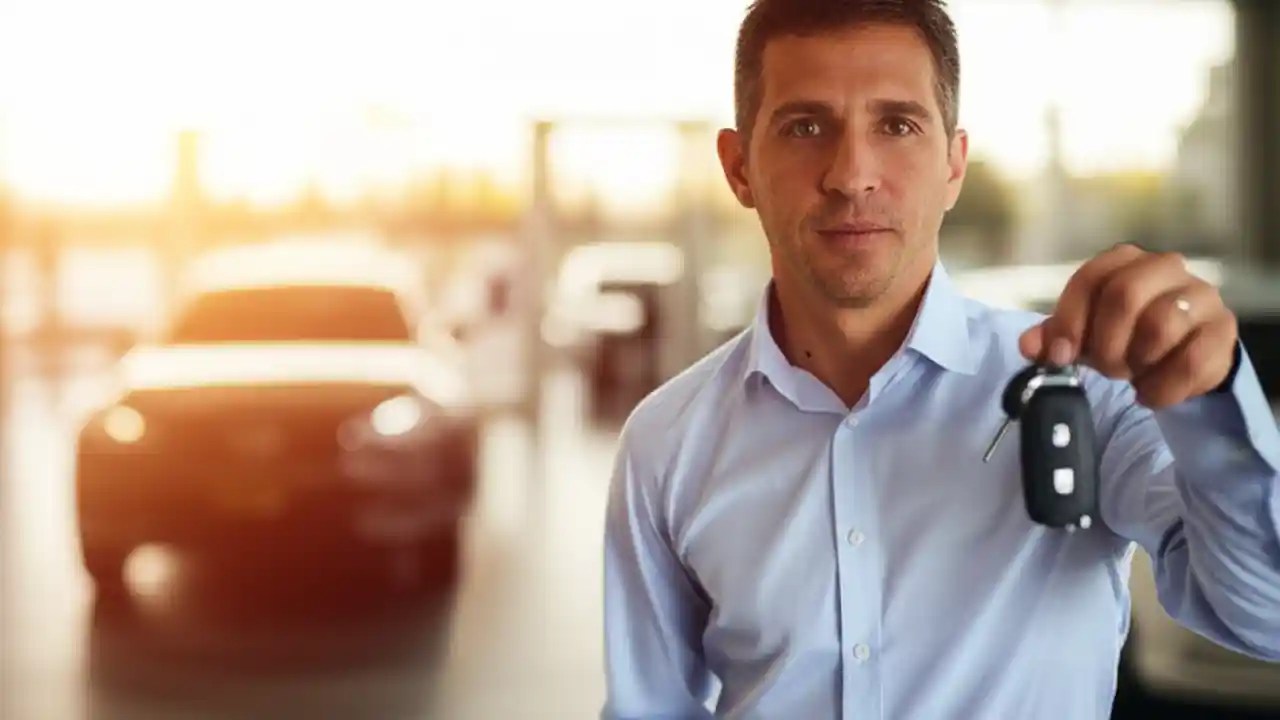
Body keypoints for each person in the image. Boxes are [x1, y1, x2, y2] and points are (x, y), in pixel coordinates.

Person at [600, 1, 1280, 718]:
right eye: (805, 127)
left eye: (897, 125)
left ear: (953, 165)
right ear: (739, 168)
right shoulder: (666, 442)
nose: (852, 175)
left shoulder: (1091, 394)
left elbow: (1265, 619)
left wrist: (1210, 402)